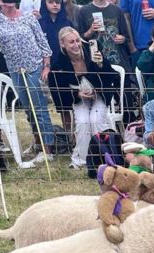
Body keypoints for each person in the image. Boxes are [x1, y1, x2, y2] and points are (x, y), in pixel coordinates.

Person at [0, 0, 56, 164]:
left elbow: (43, 42)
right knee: (28, 109)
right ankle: (38, 143)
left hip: (34, 67)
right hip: (15, 70)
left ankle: (47, 150)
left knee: (39, 108)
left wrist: (46, 66)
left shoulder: (28, 17)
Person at [50, 25, 116, 168]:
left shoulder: (93, 51)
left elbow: (111, 76)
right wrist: (76, 94)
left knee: (96, 119)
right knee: (82, 121)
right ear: (63, 44)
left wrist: (101, 64)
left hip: (99, 95)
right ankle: (81, 159)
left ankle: (105, 157)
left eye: (77, 41)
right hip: (79, 98)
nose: (76, 45)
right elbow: (58, 90)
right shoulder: (59, 63)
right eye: (71, 42)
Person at [75, 0, 133, 70]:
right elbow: (79, 39)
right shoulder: (84, 11)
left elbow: (127, 37)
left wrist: (122, 39)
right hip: (95, 64)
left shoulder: (117, 10)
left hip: (118, 63)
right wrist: (90, 31)